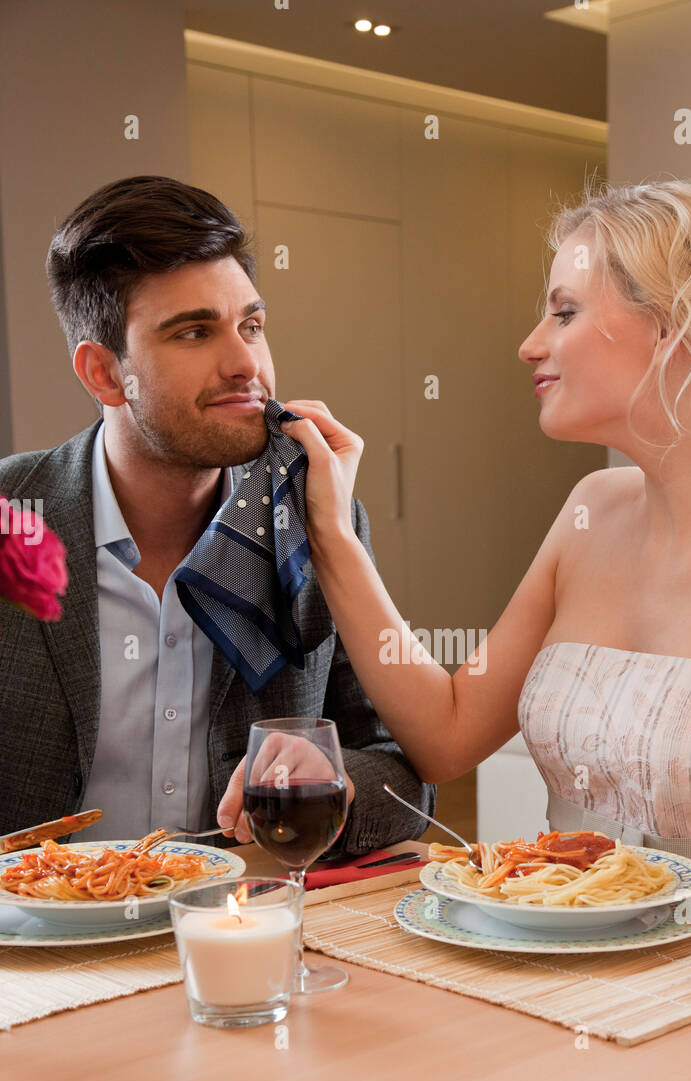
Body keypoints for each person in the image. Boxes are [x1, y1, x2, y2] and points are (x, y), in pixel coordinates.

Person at [218, 178, 691, 929]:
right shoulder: (591, 513)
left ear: (676, 329)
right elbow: (446, 734)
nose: (531, 344)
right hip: (554, 963)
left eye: (564, 311)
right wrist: (331, 533)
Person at [0, 175, 435, 854]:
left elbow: (409, 777)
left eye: (251, 326)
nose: (246, 365)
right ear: (103, 374)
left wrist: (337, 778)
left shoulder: (317, 522)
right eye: (194, 332)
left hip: (241, 931)